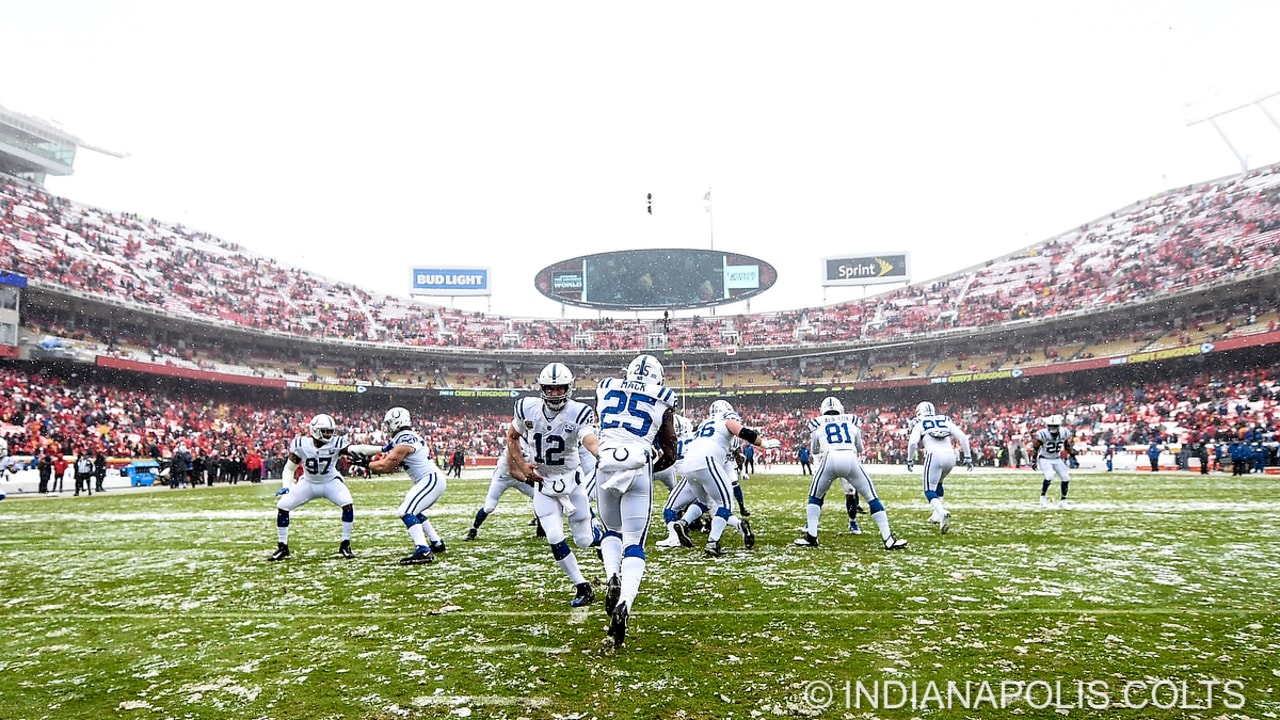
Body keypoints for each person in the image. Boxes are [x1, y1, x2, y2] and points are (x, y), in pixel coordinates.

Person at [595, 353, 678, 647]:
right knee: (634, 543)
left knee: (610, 532)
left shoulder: (606, 386)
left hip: (605, 463)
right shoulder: (664, 398)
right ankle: (625, 604)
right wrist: (647, 465)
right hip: (638, 464)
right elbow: (670, 453)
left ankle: (612, 574)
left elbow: (603, 426)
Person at [504, 362, 601, 606]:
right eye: (550, 388)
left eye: (560, 389)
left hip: (571, 481)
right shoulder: (527, 408)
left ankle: (601, 535)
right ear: (542, 388)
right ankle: (582, 586)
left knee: (584, 540)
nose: (555, 393)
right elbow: (512, 437)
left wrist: (600, 451)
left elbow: (588, 438)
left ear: (569, 388)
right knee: (554, 537)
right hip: (543, 483)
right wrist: (522, 466)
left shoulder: (579, 412)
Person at [796, 397, 907, 550]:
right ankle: (888, 539)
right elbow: (860, 448)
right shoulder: (851, 421)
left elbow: (815, 450)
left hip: (830, 458)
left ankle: (812, 537)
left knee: (814, 497)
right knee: (871, 497)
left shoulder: (817, 423)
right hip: (850, 458)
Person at [269, 413, 376, 561]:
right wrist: (286, 486)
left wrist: (382, 449)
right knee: (283, 506)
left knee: (347, 504)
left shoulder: (336, 442)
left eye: (331, 431)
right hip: (308, 482)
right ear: (315, 430)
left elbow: (357, 448)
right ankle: (282, 546)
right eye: (325, 431)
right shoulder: (301, 444)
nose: (329, 434)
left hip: (330, 481)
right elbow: (289, 468)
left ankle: (345, 544)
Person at [671, 399, 760, 556]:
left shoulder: (704, 425)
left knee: (705, 502)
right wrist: (764, 443)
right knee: (724, 505)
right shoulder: (726, 420)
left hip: (689, 465)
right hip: (712, 464)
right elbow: (743, 435)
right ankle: (713, 543)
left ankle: (684, 521)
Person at [367, 407, 450, 565]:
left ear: (397, 422)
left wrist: (368, 464)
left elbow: (387, 466)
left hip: (430, 479)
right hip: (431, 479)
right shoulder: (406, 436)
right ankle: (436, 542)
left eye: (389, 423)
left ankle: (423, 550)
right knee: (414, 511)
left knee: (405, 512)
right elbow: (386, 453)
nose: (387, 427)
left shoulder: (404, 437)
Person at [905, 400, 973, 533]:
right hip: (950, 456)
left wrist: (910, 459)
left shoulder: (919, 422)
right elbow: (963, 437)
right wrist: (968, 457)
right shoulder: (944, 420)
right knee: (939, 483)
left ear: (919, 412)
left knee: (929, 490)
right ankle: (936, 515)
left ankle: (941, 512)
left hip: (934, 456)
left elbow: (913, 443)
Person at [463, 432, 538, 541]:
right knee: (489, 507)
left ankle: (539, 522)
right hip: (503, 477)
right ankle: (473, 529)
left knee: (538, 496)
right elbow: (513, 472)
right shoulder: (513, 444)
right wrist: (528, 480)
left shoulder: (533, 445)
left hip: (519, 476)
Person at [1034, 414, 1075, 509]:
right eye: (1051, 426)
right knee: (1049, 476)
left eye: (1054, 426)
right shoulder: (1043, 434)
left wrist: (1073, 456)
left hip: (1056, 458)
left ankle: (1063, 501)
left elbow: (1067, 446)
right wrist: (1034, 461)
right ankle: (1043, 496)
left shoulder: (1064, 433)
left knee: (1066, 478)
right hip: (1045, 458)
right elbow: (1036, 447)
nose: (1052, 428)